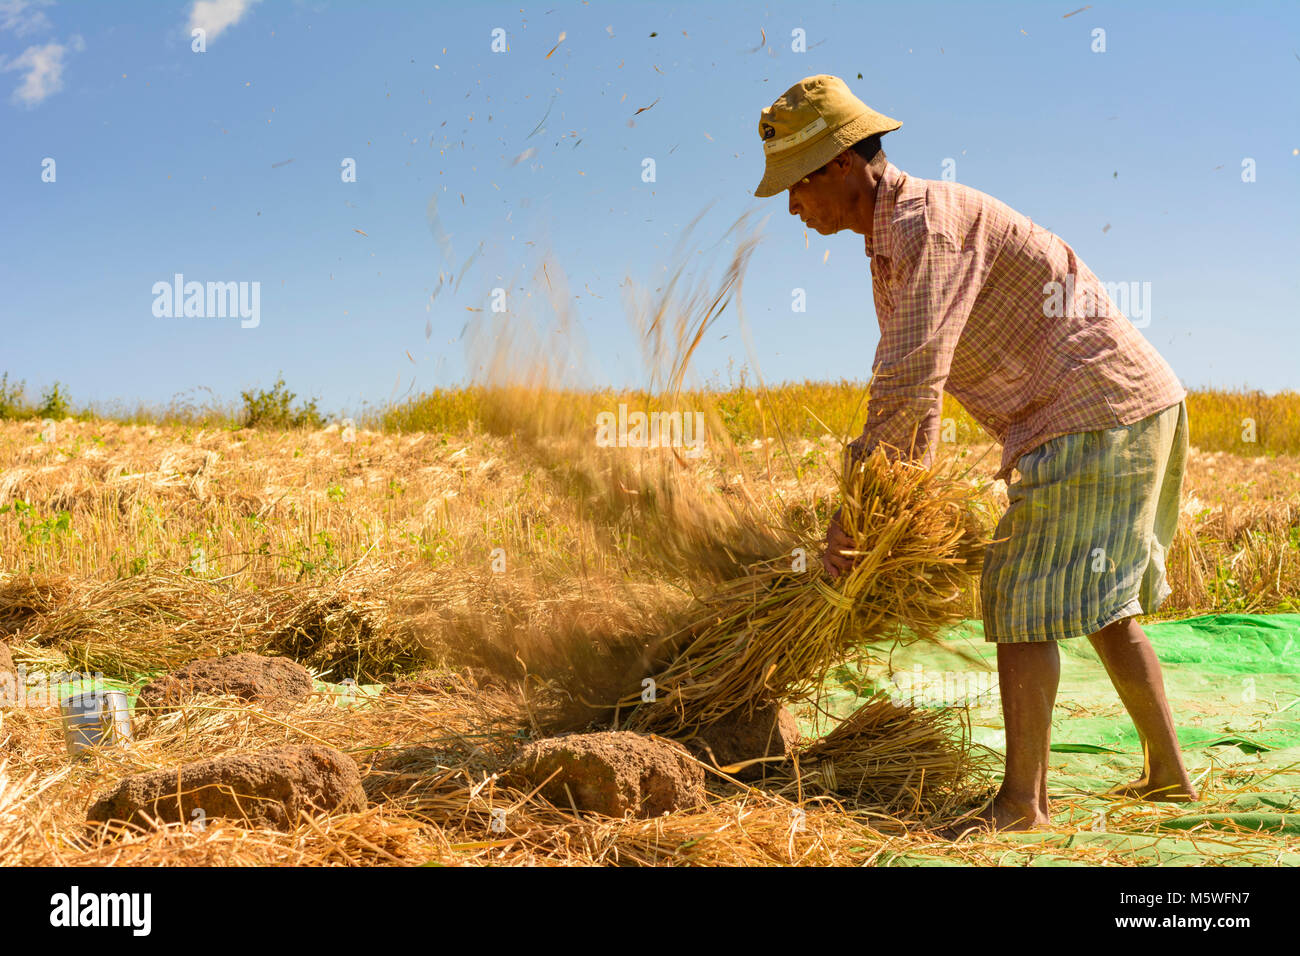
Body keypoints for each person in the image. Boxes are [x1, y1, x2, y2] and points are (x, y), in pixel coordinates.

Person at [753, 74, 1198, 833]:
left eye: (795, 187)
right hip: (1120, 407)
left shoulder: (929, 226)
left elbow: (910, 377)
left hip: (1092, 413)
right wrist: (888, 496)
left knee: (1020, 597)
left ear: (835, 166)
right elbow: (915, 381)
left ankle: (1023, 805)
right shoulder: (892, 237)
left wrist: (856, 517)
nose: (793, 208)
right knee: (1105, 607)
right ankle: (1169, 777)